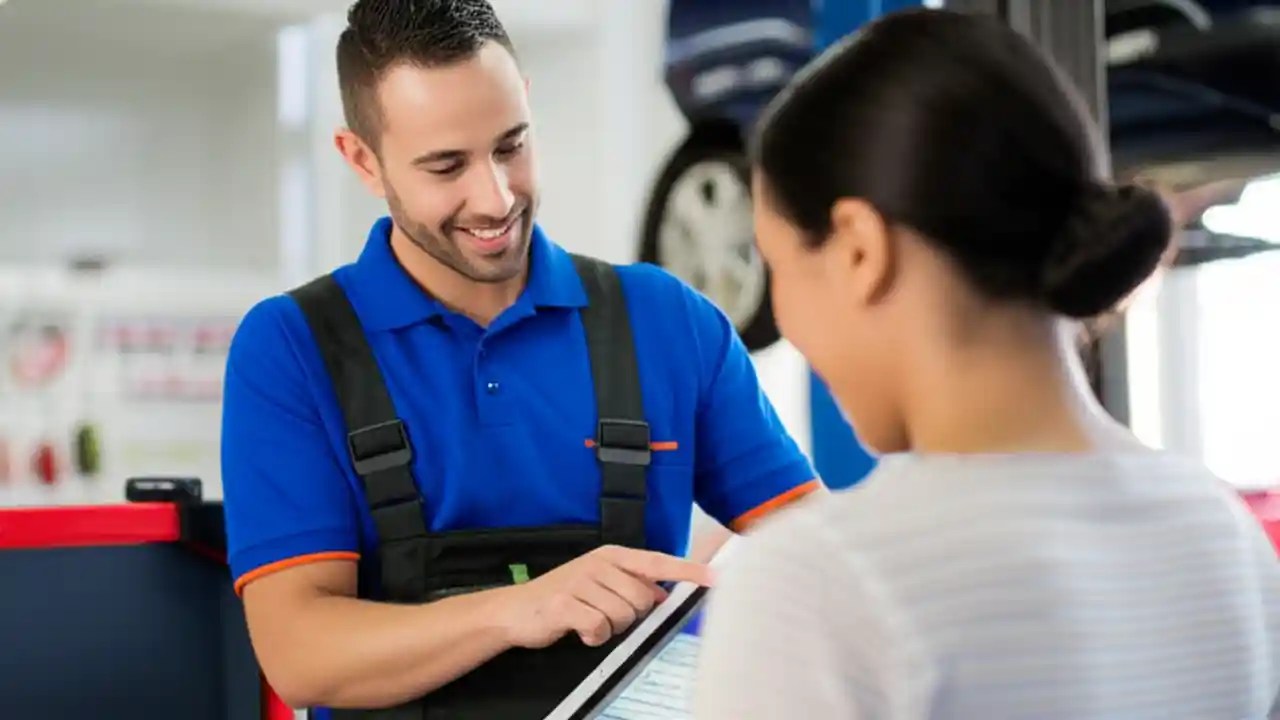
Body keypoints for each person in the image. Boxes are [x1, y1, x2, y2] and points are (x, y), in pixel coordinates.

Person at [219, 0, 821, 717]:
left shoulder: (668, 322)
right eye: (447, 165)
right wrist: (516, 611)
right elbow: (301, 656)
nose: (496, 197)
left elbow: (821, 554)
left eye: (511, 146)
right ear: (363, 161)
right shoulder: (292, 349)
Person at [693, 8, 1280, 720]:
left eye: (780, 264)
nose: (785, 318)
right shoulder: (1221, 536)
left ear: (857, 249)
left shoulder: (819, 583)